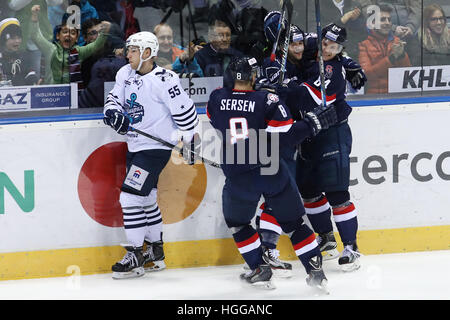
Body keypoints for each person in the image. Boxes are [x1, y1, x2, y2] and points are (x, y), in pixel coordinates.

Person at [207, 55, 338, 290]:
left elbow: (222, 118)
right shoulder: (267, 99)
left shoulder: (216, 98)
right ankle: (316, 273)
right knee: (295, 224)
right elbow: (286, 136)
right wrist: (311, 124)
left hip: (239, 175)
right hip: (270, 170)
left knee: (238, 223)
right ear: (253, 76)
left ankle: (260, 268)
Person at [103, 31, 200, 279]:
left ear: (147, 52)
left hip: (155, 149)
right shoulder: (124, 73)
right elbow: (113, 99)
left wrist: (190, 142)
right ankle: (155, 253)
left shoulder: (166, 80)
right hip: (135, 146)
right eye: (128, 49)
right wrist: (113, 113)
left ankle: (136, 252)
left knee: (129, 198)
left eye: (133, 50)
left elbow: (186, 113)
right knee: (146, 198)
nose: (128, 54)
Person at [30, 4, 110, 85]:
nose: (68, 35)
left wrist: (105, 31)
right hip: (50, 95)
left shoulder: (79, 52)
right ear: (58, 36)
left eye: (73, 33)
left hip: (71, 95)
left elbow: (97, 45)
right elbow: (36, 36)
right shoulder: (50, 49)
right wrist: (34, 16)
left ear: (77, 38)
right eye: (65, 32)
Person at [358, 3, 411, 94]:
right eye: (382, 19)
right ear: (372, 23)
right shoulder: (363, 45)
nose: (387, 23)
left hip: (398, 95)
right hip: (373, 98)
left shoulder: (397, 41)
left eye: (389, 20)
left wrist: (402, 56)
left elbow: (408, 74)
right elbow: (366, 75)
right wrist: (391, 58)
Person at [8, 0, 63, 80]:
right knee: (21, 76)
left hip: (43, 34)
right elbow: (13, 5)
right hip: (21, 36)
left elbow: (57, 2)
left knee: (45, 77)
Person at [78, 22, 127, 108]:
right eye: (93, 33)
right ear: (85, 38)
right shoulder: (83, 57)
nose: (98, 36)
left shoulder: (114, 50)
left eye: (101, 32)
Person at [194, 19, 244, 87]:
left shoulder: (238, 56)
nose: (225, 39)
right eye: (220, 35)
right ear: (210, 37)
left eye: (228, 35)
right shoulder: (200, 56)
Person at [0, 18, 39, 86]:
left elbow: (30, 74)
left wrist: (32, 78)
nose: (17, 41)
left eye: (19, 38)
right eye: (13, 38)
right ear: (3, 40)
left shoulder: (24, 56)